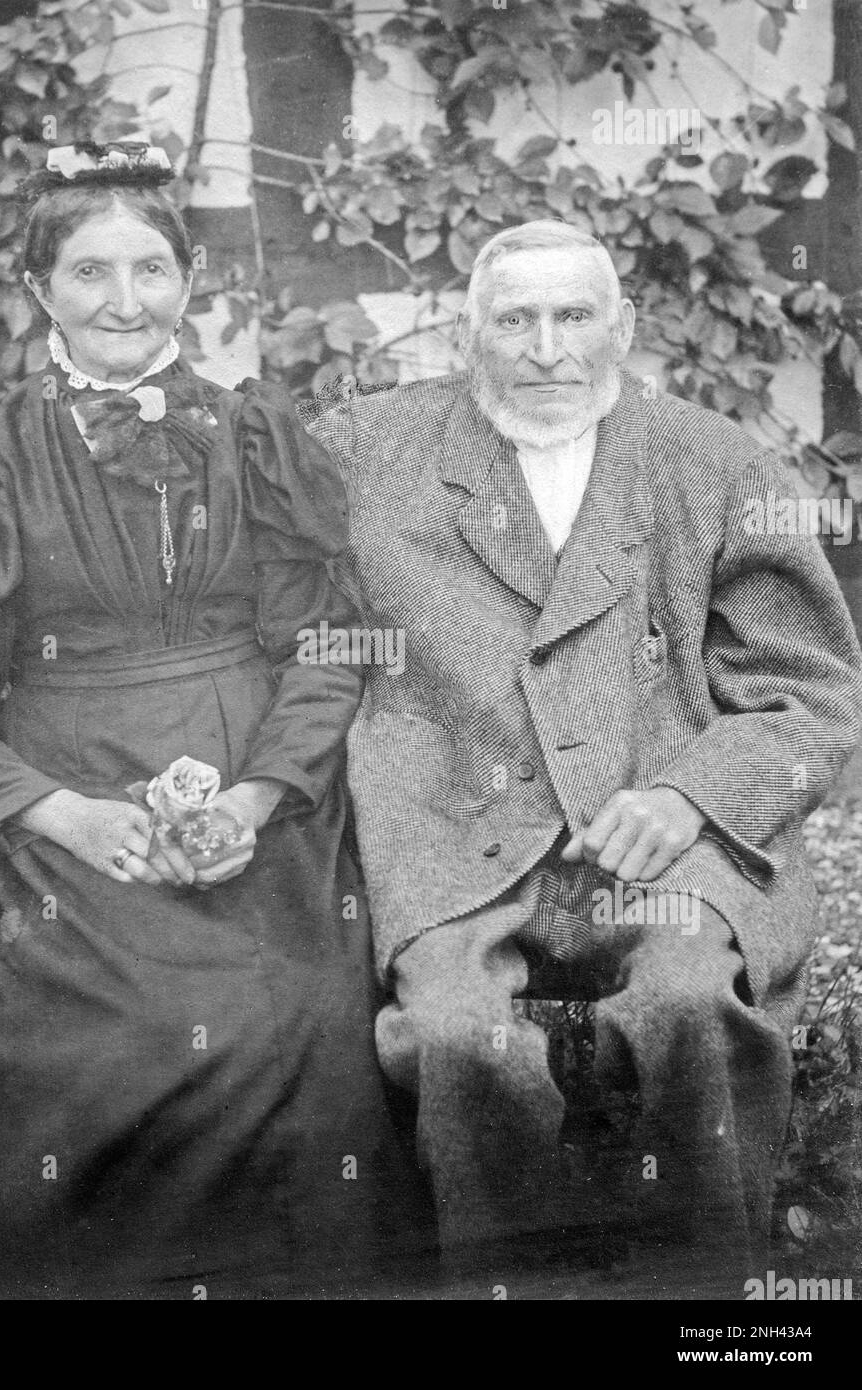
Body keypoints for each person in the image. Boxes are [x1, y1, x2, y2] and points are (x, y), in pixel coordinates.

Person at [0, 143, 424, 1299]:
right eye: (91, 272)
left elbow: (323, 646)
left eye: (150, 269)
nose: (124, 301)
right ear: (39, 285)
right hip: (56, 800)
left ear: (190, 278)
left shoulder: (257, 432)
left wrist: (258, 799)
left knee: (293, 1019)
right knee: (61, 1025)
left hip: (256, 791)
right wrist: (70, 820)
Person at [307, 220, 862, 1291]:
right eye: (515, 320)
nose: (547, 348)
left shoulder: (716, 462)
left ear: (625, 327)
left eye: (574, 317)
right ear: (470, 336)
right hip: (458, 837)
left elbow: (813, 695)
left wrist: (694, 795)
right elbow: (255, 592)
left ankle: (704, 1301)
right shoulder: (367, 451)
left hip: (661, 848)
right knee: (458, 1038)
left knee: (688, 1005)